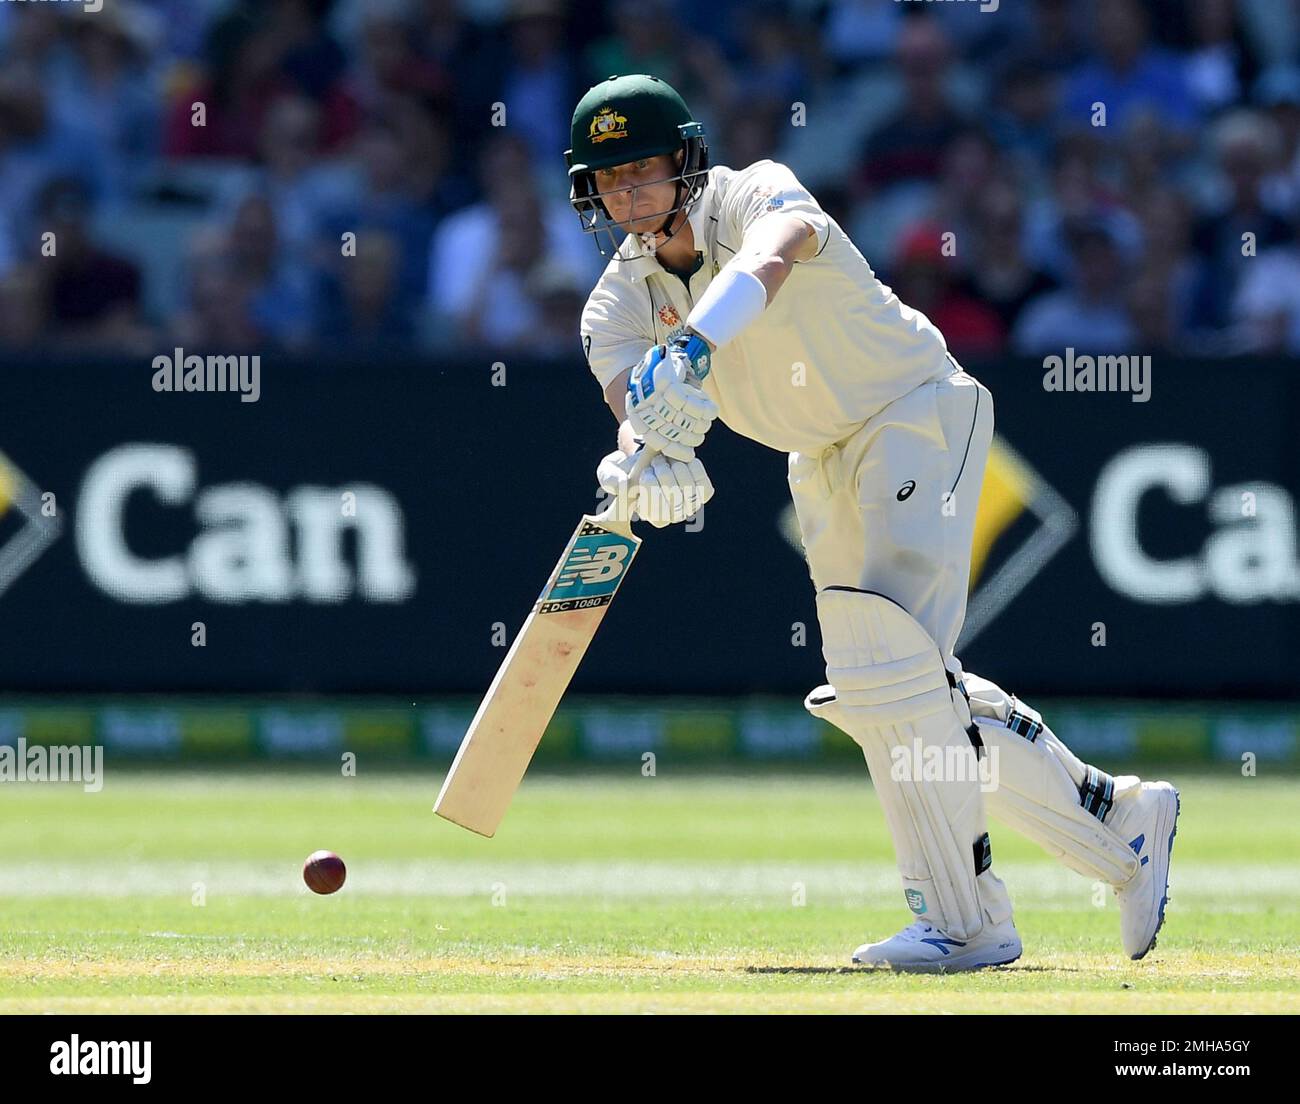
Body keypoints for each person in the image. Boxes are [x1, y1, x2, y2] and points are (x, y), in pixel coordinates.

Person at [568, 74, 1180, 972]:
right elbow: (637, 410)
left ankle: (967, 925)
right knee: (886, 686)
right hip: (816, 462)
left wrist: (697, 342)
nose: (627, 196)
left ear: (686, 163)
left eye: (643, 172)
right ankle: (1118, 819)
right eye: (608, 180)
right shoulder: (615, 306)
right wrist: (647, 466)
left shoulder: (752, 192)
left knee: (890, 672)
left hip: (911, 410)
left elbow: (777, 252)